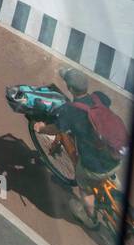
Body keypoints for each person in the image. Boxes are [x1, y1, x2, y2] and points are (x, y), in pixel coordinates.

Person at [34, 68, 129, 229]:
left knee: (84, 185)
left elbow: (57, 128)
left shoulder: (70, 110)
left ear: (70, 89)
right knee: (105, 161)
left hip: (95, 167)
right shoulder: (99, 97)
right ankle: (114, 185)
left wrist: (41, 128)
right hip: (117, 155)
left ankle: (90, 218)